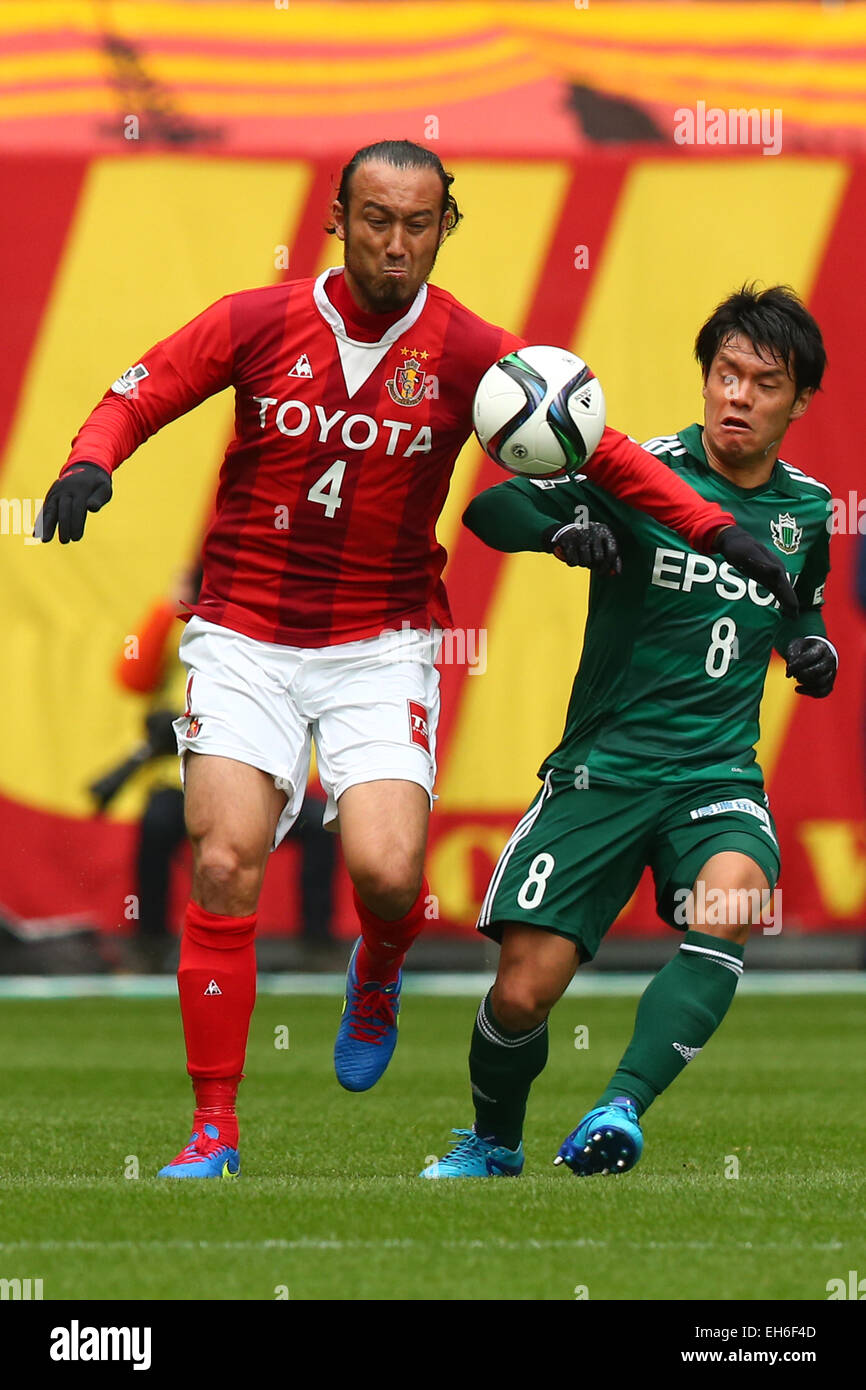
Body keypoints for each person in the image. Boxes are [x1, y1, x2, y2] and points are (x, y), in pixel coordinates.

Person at [35, 141, 797, 1180]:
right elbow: (143, 387)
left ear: (445, 228)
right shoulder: (256, 321)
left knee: (389, 874)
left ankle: (378, 965)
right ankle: (213, 1127)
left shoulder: (468, 351)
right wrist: (90, 459)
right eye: (376, 218)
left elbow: (601, 449)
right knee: (219, 862)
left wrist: (716, 533)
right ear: (337, 219)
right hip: (244, 628)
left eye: (419, 222)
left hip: (380, 643)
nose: (395, 242)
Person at [421, 284, 836, 1180]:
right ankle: (494, 1142)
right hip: (602, 772)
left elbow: (804, 614)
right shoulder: (640, 469)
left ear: (799, 401)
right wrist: (564, 530)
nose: (737, 396)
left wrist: (813, 649)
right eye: (726, 374)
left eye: (763, 383)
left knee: (730, 899)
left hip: (716, 775)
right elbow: (491, 511)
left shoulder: (808, 511)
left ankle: (619, 1109)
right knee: (524, 992)